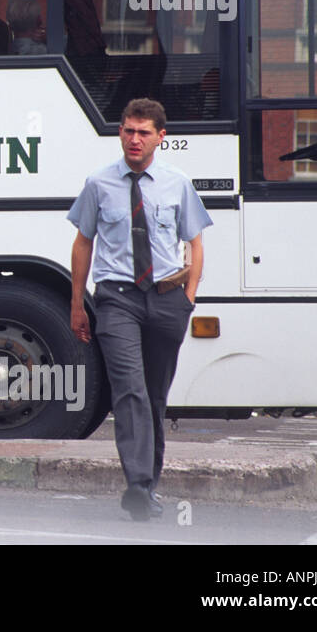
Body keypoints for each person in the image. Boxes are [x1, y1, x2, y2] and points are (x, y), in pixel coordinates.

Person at [66, 98, 212, 521]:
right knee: (128, 390)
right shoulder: (98, 183)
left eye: (143, 132)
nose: (134, 139)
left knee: (154, 396)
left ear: (160, 137)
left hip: (168, 299)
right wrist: (78, 303)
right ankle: (138, 485)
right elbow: (83, 242)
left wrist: (189, 297)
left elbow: (195, 242)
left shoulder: (177, 182)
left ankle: (149, 482)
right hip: (117, 299)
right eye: (128, 130)